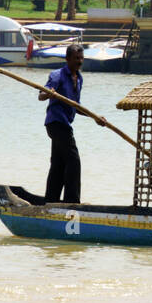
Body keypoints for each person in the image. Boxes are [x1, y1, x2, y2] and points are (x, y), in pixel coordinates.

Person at [38, 44, 103, 203]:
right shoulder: (57, 75)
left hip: (66, 124)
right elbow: (41, 95)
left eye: (81, 58)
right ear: (67, 59)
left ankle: (51, 200)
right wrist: (48, 93)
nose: (79, 61)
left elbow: (76, 106)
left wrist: (94, 117)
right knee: (73, 160)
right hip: (56, 123)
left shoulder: (79, 79)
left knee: (58, 163)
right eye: (76, 58)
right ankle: (72, 201)